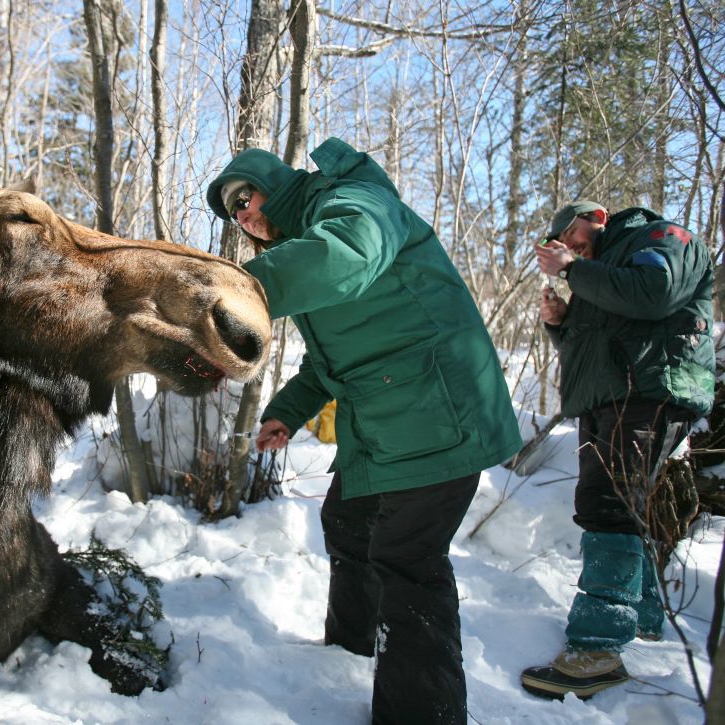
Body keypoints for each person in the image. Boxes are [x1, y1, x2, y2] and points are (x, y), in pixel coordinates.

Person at [207, 138, 522, 724]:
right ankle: (349, 657)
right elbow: (331, 358)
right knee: (348, 523)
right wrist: (288, 410)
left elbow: (345, 255)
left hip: (440, 416)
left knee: (408, 560)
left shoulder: (356, 201)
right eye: (233, 212)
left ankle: (420, 713)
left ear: (277, 183)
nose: (244, 214)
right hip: (389, 420)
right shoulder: (304, 244)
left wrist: (232, 291)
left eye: (246, 196)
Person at [520, 201, 715, 700]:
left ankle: (598, 649)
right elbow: (601, 347)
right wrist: (561, 324)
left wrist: (573, 269)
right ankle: (646, 617)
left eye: (567, 233)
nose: (565, 244)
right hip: (611, 397)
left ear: (597, 216)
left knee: (611, 506)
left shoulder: (658, 237)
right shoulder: (603, 270)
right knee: (630, 505)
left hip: (648, 391)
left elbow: (655, 294)